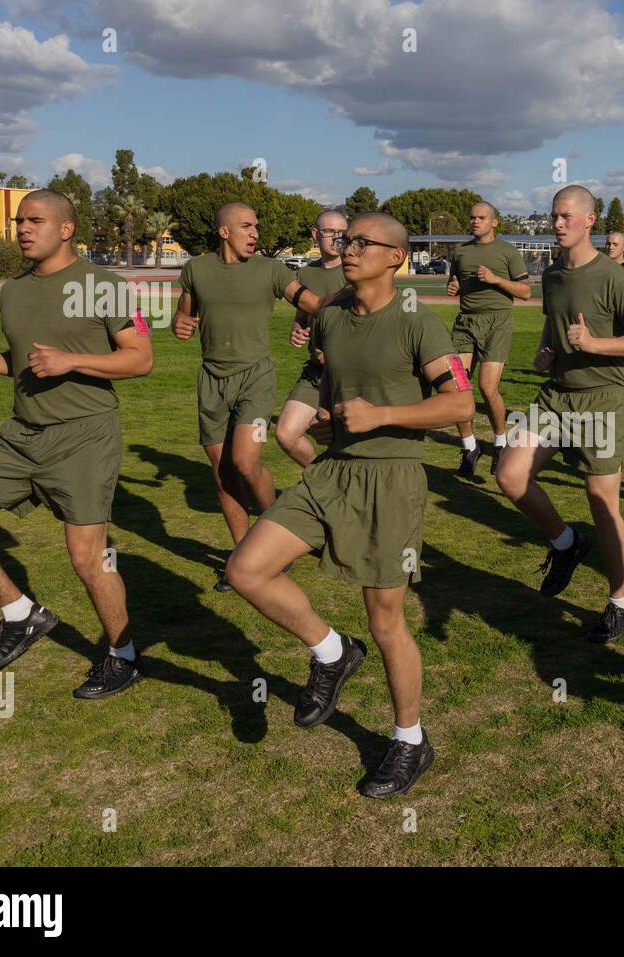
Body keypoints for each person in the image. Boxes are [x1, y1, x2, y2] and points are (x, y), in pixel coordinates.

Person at [225, 213, 473, 799]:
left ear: (396, 258)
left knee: (386, 622)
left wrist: (384, 415)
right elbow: (320, 376)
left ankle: (410, 741)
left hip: (392, 479)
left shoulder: (420, 322)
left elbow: (460, 405)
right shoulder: (330, 313)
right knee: (245, 569)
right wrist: (307, 411)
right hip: (331, 471)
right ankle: (332, 652)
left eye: (363, 242)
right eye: (346, 238)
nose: (348, 246)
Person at [0, 189, 154, 697]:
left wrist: (73, 361)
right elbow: (24, 360)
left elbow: (140, 359)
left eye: (35, 220)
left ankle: (123, 655)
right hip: (20, 436)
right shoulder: (13, 290)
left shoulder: (103, 286)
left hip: (84, 437)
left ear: (65, 229)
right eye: (19, 220)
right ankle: (21, 613)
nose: (23, 228)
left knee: (89, 558)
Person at [496, 185, 624, 643]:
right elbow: (554, 324)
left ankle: (620, 603)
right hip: (557, 395)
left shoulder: (613, 277)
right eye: (553, 216)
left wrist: (594, 345)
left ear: (589, 220)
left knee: (602, 503)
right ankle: (567, 544)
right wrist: (548, 351)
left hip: (603, 399)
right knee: (510, 474)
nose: (557, 223)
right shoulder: (551, 275)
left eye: (566, 216)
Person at [172, 202, 328, 591]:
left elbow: (312, 303)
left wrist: (356, 307)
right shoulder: (196, 269)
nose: (255, 233)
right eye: (247, 226)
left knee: (245, 460)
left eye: (257, 226)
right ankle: (243, 555)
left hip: (255, 377)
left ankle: (275, 536)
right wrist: (181, 320)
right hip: (211, 379)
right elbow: (186, 307)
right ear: (224, 231)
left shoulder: (271, 270)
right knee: (224, 474)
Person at [446, 202, 532, 477]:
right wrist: (453, 286)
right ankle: (470, 447)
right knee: (457, 387)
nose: (475, 221)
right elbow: (456, 282)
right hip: (465, 323)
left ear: (494, 222)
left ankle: (499, 442)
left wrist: (496, 280)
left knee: (487, 388)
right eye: (472, 217)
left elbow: (526, 292)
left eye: (481, 218)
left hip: (497, 322)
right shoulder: (460, 251)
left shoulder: (507, 251)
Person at [278, 208, 349, 468]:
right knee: (286, 434)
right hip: (316, 373)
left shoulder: (357, 271)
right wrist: (298, 328)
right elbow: (303, 314)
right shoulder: (306, 274)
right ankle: (324, 479)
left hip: (351, 374)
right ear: (315, 234)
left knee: (344, 442)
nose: (337, 238)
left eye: (342, 232)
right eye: (330, 232)